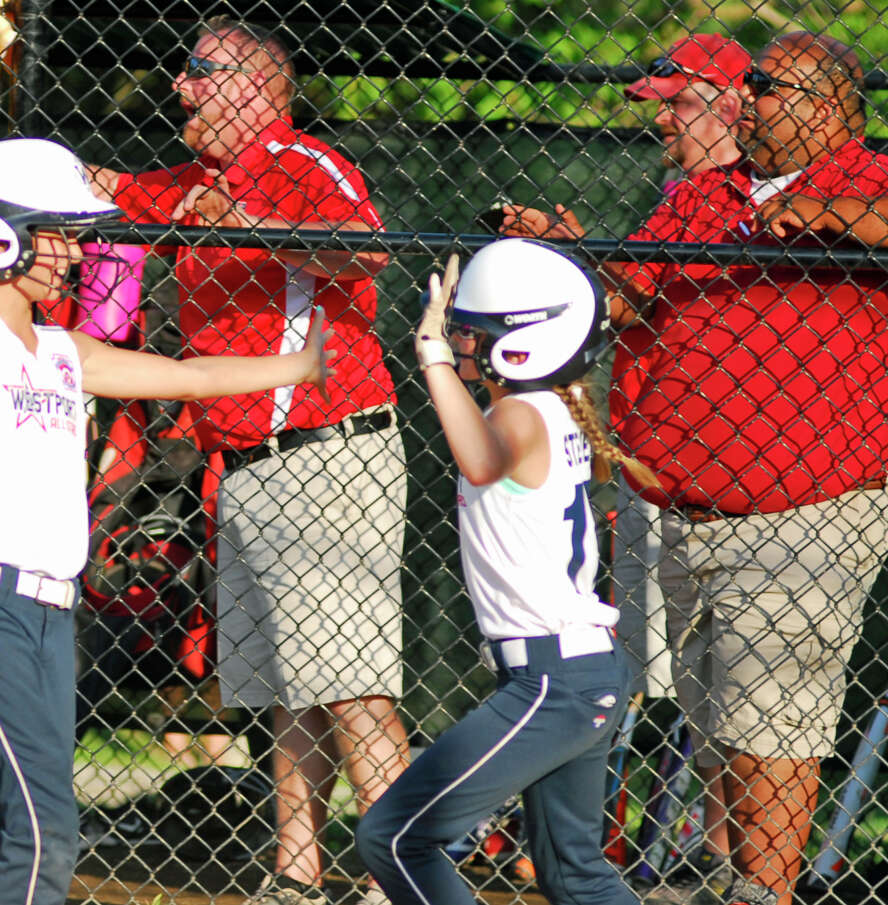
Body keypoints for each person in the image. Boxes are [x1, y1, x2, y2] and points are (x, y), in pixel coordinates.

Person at [0, 136, 334, 905]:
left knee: (24, 827)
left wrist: (298, 366)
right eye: (56, 233)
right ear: (1, 233)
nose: (74, 252)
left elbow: (189, 377)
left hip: (51, 614)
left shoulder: (61, 349)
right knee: (46, 826)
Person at [511, 32, 888, 905]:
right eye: (746, 84)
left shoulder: (868, 178)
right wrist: (562, 255)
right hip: (683, 498)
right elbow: (629, 289)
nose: (747, 100)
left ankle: (766, 891)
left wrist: (843, 218)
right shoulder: (707, 198)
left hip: (808, 506)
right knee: (718, 712)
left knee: (777, 717)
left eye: (768, 86)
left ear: (830, 106)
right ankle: (730, 877)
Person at [85, 16, 410, 905]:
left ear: (256, 85)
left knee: (351, 685)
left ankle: (399, 878)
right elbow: (107, 190)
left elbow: (370, 248)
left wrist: (256, 223)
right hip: (246, 464)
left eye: (198, 72)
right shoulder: (193, 182)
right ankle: (296, 874)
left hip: (327, 455)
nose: (180, 89)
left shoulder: (302, 164)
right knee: (283, 686)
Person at [356, 238, 660, 905]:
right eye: (459, 333)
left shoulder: (522, 411)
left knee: (395, 835)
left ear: (521, 342)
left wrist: (431, 358)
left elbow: (482, 461)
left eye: (473, 332)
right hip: (569, 671)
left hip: (556, 680)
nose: (460, 341)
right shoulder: (545, 404)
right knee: (575, 872)